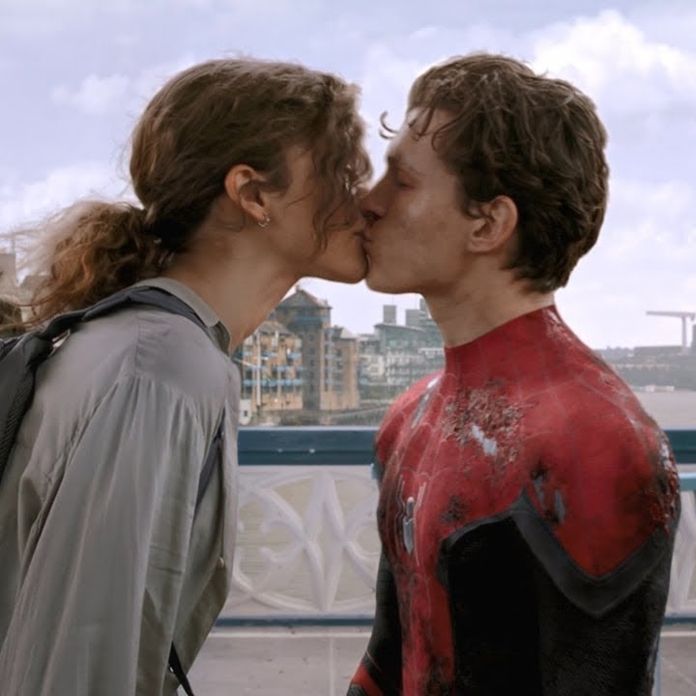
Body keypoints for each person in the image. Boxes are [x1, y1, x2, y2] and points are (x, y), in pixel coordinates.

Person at [0, 57, 371, 695]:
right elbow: (86, 662)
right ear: (253, 194)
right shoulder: (160, 366)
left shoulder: (157, 346)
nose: (367, 201)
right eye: (344, 172)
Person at [348, 53, 679, 696]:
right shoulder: (409, 415)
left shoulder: (595, 441)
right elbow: (384, 662)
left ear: (489, 223)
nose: (369, 202)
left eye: (402, 182)